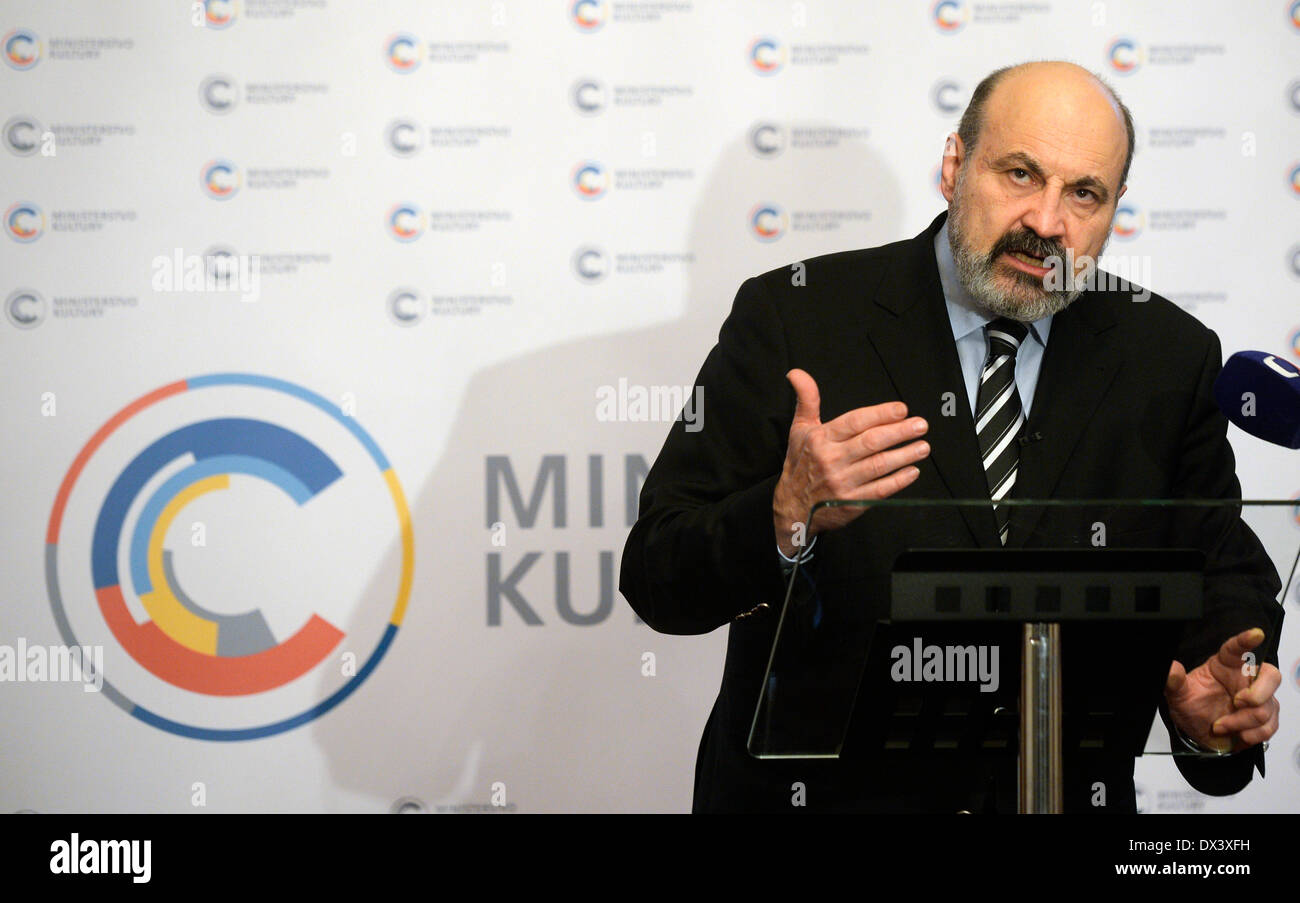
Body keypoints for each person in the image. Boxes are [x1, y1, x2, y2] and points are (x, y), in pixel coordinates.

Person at [618, 61, 1284, 812]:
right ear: (954, 166)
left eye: (1084, 193)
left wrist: (1217, 702)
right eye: (1021, 174)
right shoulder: (795, 318)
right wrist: (783, 514)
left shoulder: (1167, 355)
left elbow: (1222, 568)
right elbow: (656, 572)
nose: (1047, 222)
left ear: (1115, 208)